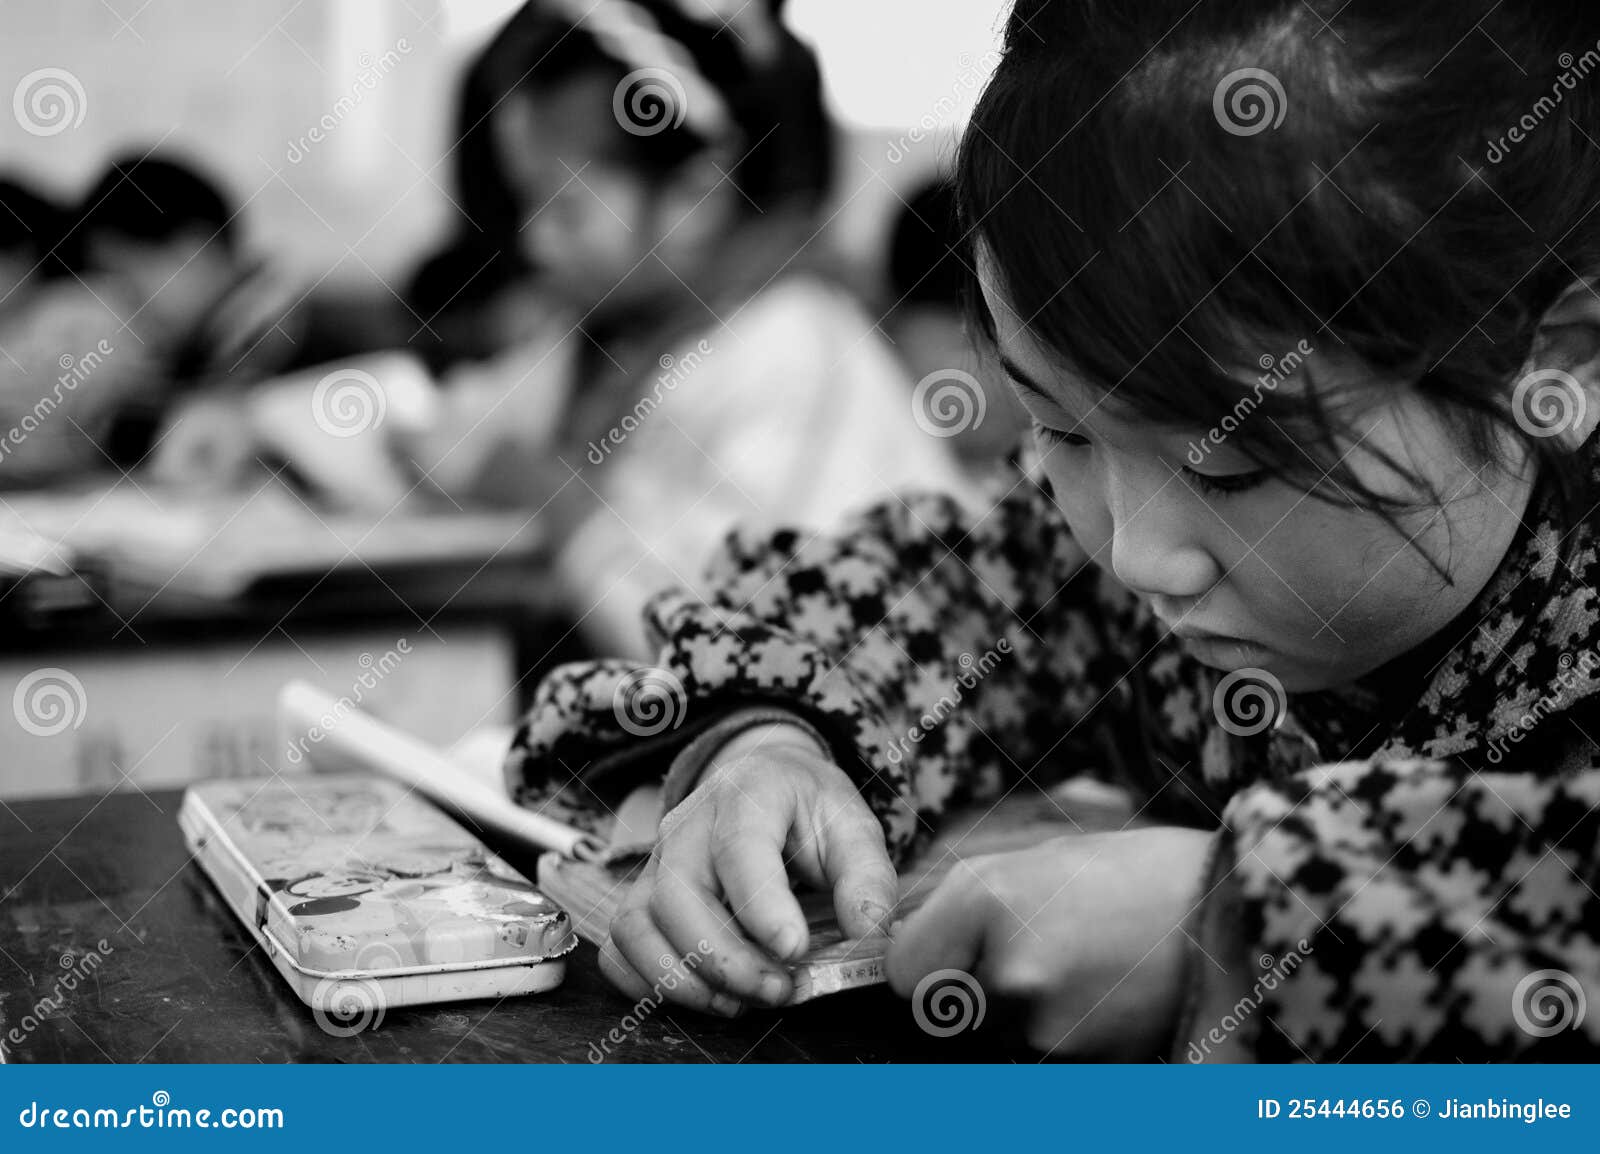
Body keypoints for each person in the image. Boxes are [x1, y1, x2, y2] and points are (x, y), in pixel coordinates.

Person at [502, 0, 1600, 1060]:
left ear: (1558, 364)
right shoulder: (1117, 562)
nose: (1132, 552)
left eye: (1233, 463)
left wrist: (1236, 918)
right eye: (1059, 431)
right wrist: (774, 741)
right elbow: (947, 586)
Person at [400, 0, 966, 656]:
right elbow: (483, 417)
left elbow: (731, 646)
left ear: (693, 196)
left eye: (567, 208)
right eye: (527, 201)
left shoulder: (791, 346)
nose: (533, 237)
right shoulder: (622, 333)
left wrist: (552, 500)